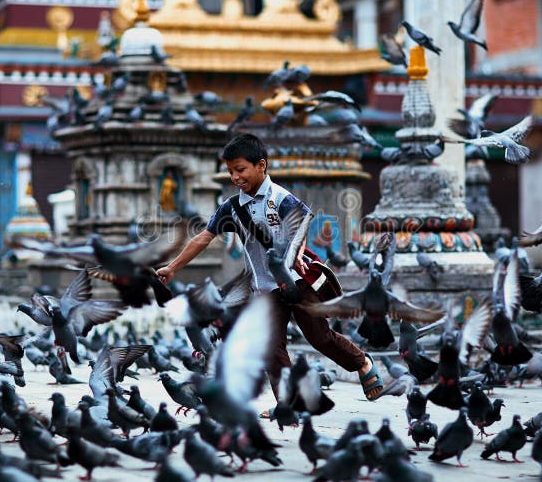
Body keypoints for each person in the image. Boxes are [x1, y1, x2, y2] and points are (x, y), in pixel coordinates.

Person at [156, 133, 383, 400]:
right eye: (230, 172)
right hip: (266, 288)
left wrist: (297, 254)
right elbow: (204, 237)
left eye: (240, 169)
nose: (235, 177)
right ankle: (289, 401)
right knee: (271, 346)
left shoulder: (280, 198)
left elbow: (301, 226)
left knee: (319, 338)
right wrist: (172, 267)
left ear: (260, 166)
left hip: (296, 281)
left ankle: (362, 363)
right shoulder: (231, 207)